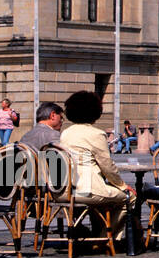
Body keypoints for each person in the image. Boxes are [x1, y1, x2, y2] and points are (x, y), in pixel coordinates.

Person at [57, 90, 133, 241]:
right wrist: (123, 185)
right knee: (129, 198)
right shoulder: (96, 134)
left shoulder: (65, 133)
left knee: (106, 198)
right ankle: (105, 238)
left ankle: (98, 234)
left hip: (64, 190)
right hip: (87, 190)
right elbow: (107, 166)